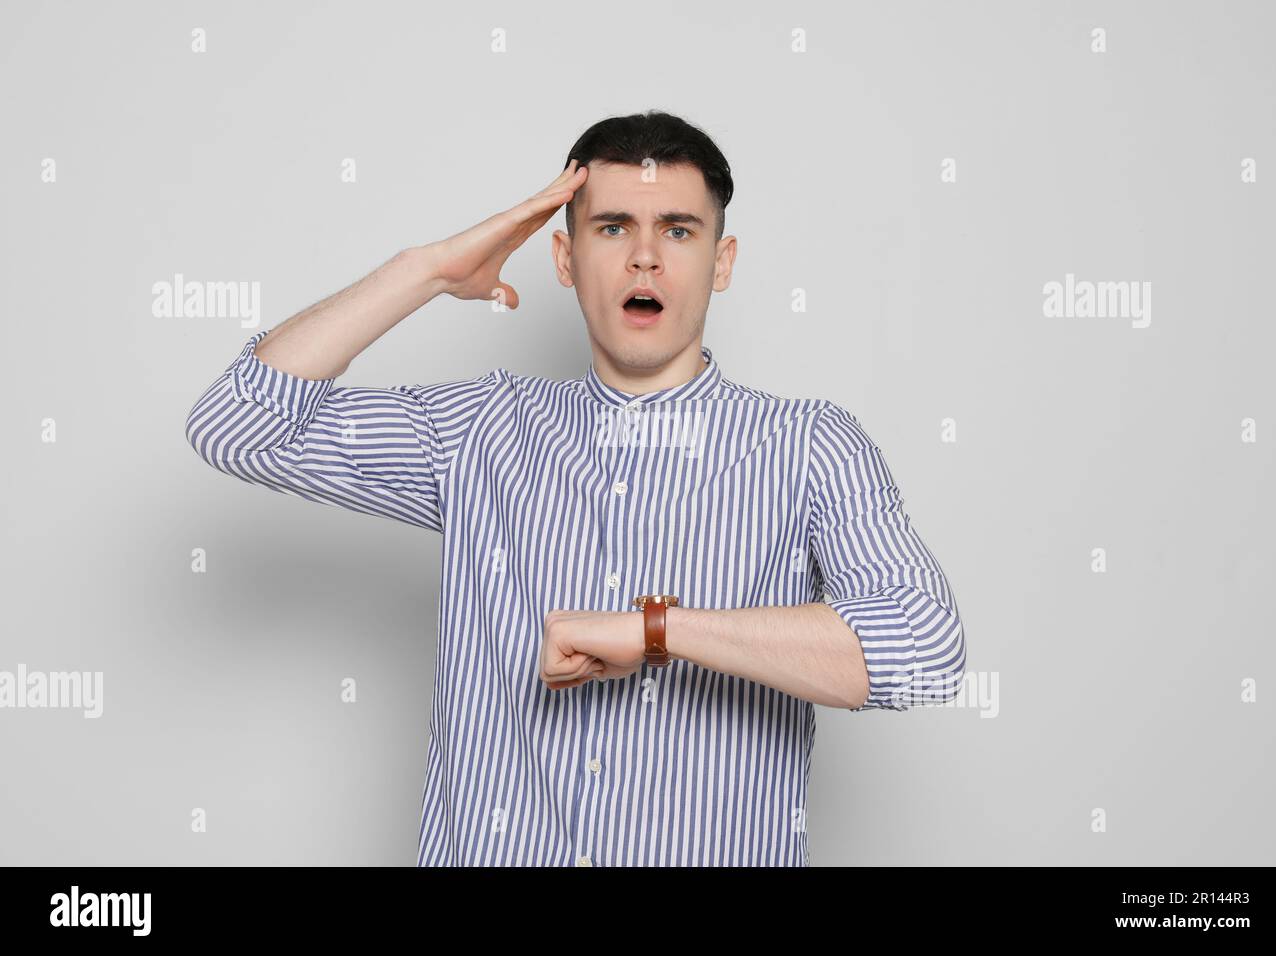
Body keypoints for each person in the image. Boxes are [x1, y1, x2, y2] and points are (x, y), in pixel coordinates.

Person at [184, 110, 966, 866]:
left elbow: (926, 650)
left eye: (680, 231)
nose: (646, 259)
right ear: (565, 259)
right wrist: (424, 272)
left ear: (721, 264)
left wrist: (658, 632)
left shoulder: (810, 446)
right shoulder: (479, 430)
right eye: (614, 227)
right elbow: (237, 426)